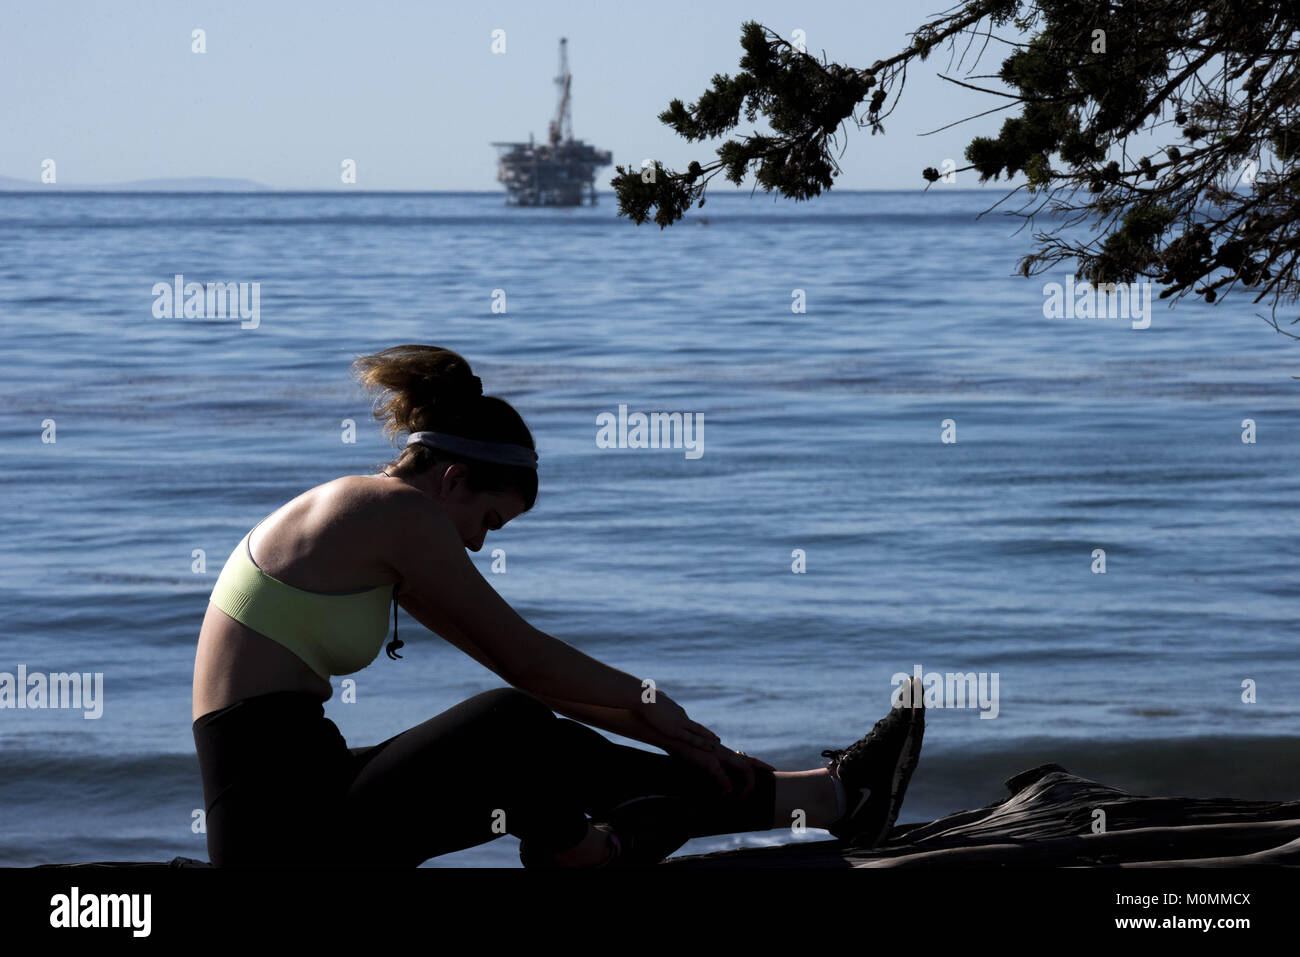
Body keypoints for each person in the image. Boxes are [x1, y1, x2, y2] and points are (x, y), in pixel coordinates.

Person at [191, 344, 925, 867]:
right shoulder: (384, 509)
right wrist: (656, 702)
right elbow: (525, 660)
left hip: (307, 801)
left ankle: (827, 798)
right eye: (489, 520)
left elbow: (544, 685)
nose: (479, 545)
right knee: (508, 725)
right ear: (451, 480)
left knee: (551, 743)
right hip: (278, 833)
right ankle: (580, 847)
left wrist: (680, 742)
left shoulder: (378, 524)